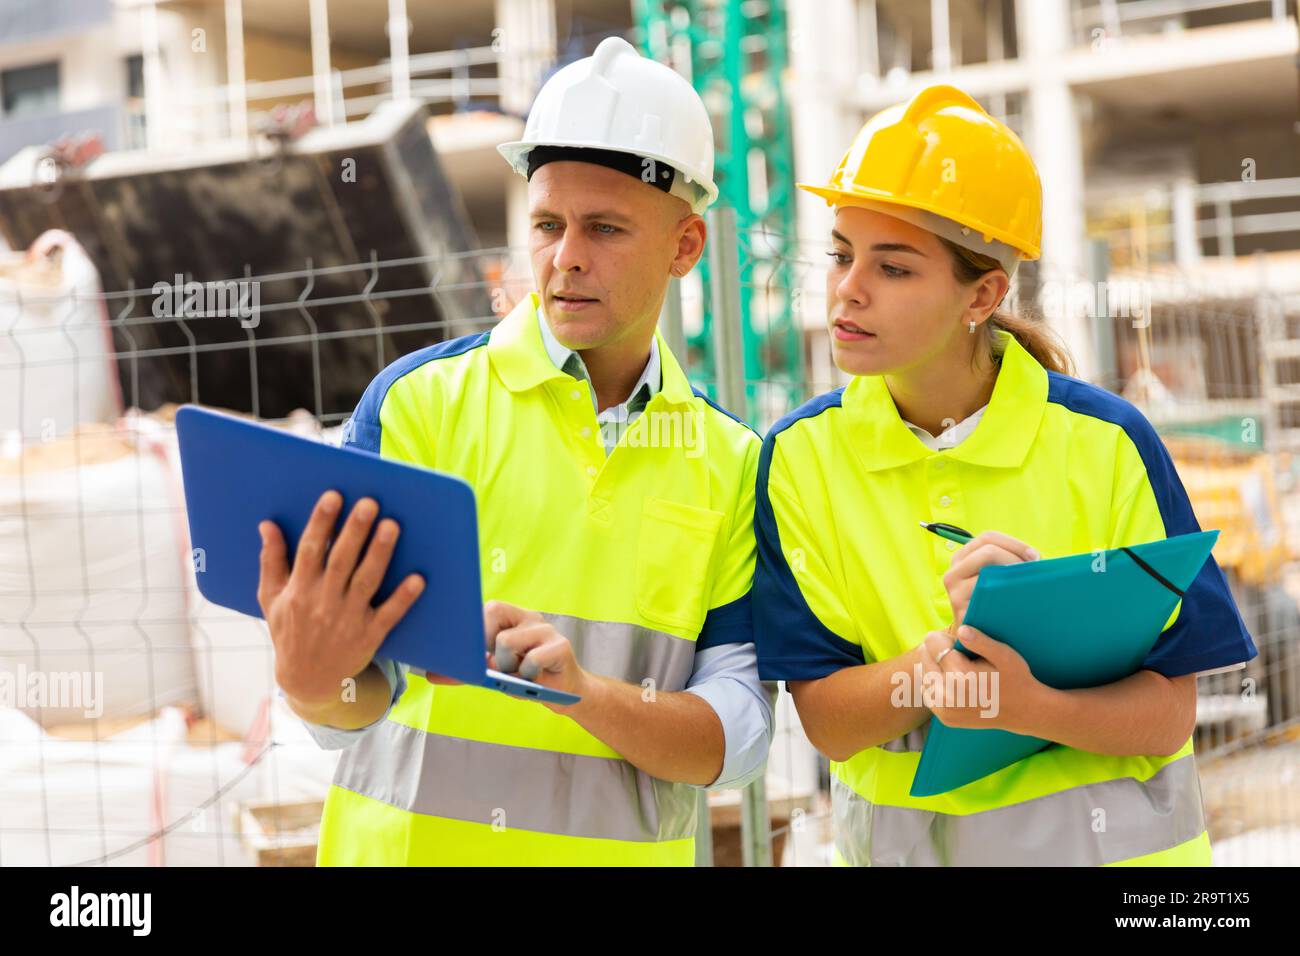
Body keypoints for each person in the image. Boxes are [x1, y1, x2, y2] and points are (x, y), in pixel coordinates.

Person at [256, 36, 771, 866]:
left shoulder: (734, 461)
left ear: (685, 247)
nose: (567, 258)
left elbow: (738, 742)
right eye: (548, 225)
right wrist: (312, 681)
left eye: (605, 228)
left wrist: (584, 694)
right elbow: (349, 705)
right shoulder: (418, 406)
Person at [752, 84, 1257, 866]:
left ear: (983, 294)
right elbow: (827, 721)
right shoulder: (798, 458)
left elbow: (1168, 715)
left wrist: (1028, 703)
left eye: (894, 267)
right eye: (842, 254)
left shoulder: (1107, 443)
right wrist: (940, 667)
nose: (849, 288)